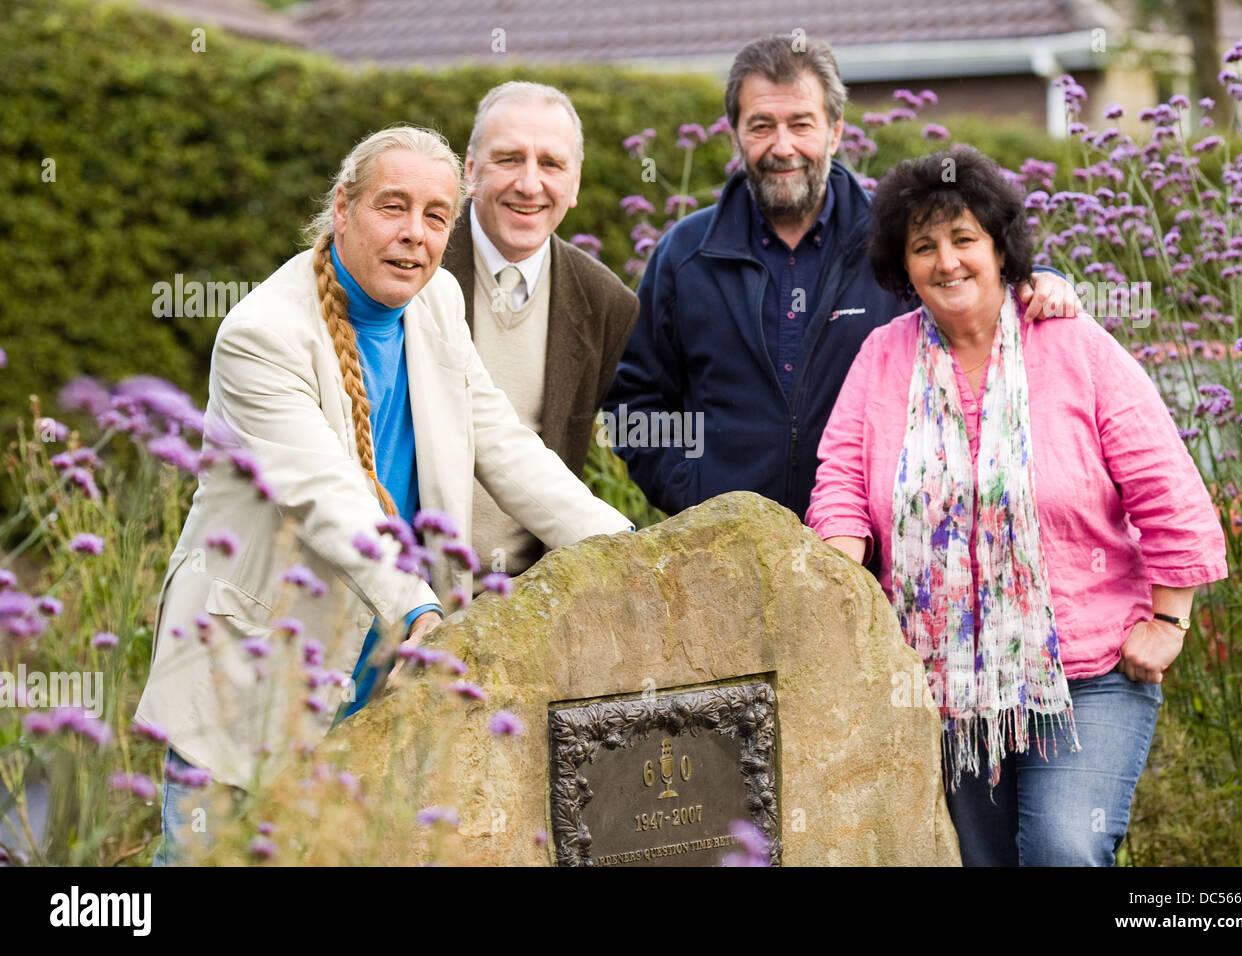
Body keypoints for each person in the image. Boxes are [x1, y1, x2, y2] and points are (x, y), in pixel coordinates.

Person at [136, 126, 631, 863]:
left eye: (436, 216)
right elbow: (329, 496)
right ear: (343, 210)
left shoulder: (437, 304)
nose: (414, 235)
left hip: (380, 675)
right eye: (391, 207)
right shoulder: (262, 335)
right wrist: (419, 608)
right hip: (255, 676)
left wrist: (630, 551)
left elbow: (506, 446)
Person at [805, 145, 1227, 866]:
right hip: (941, 682)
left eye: (964, 239)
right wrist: (840, 570)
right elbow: (841, 482)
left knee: (1064, 846)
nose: (947, 262)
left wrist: (1169, 618)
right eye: (924, 247)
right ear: (901, 267)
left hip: (1087, 673)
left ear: (1001, 248)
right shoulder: (882, 356)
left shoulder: (1072, 345)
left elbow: (1166, 487)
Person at [606, 33, 1078, 521]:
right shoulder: (685, 255)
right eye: (761, 125)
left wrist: (1036, 277)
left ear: (834, 131)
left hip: (873, 557)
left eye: (801, 124)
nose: (782, 146)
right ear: (735, 135)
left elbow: (968, 291)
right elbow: (634, 400)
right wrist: (689, 488)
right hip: (722, 555)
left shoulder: (898, 242)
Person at [425, 82, 638, 580]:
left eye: (551, 164)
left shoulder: (606, 303)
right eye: (508, 159)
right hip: (415, 590)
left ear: (576, 182)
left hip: (532, 600)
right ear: (471, 171)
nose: (529, 183)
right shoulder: (417, 269)